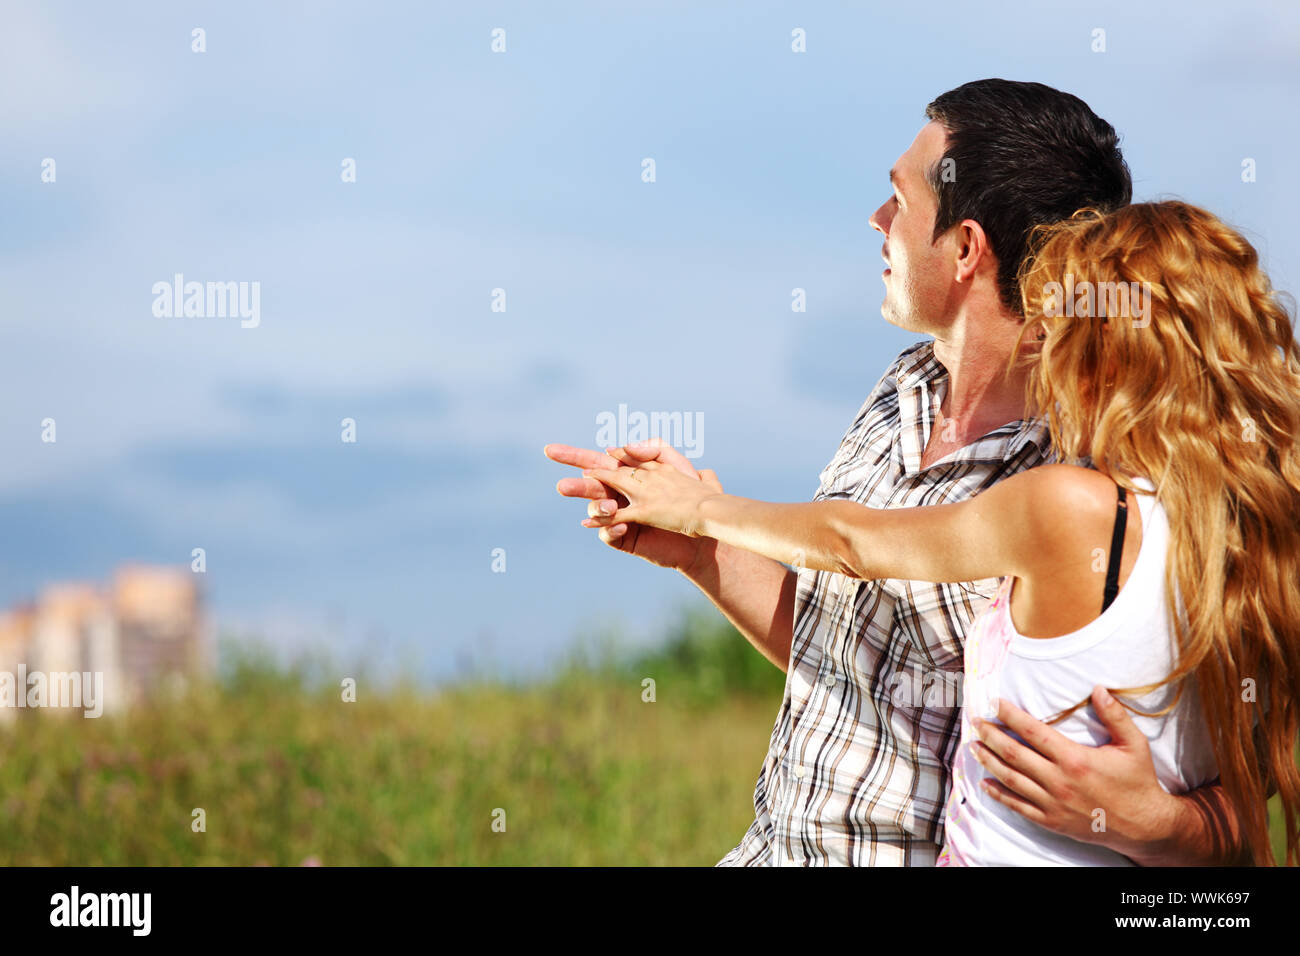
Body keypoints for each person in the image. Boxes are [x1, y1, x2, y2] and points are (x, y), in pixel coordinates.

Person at [546, 79, 1245, 865]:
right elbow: (855, 655)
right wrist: (706, 553)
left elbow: (1248, 786)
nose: (877, 222)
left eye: (898, 201)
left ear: (967, 246)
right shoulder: (901, 388)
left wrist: (1160, 825)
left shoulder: (1093, 473)